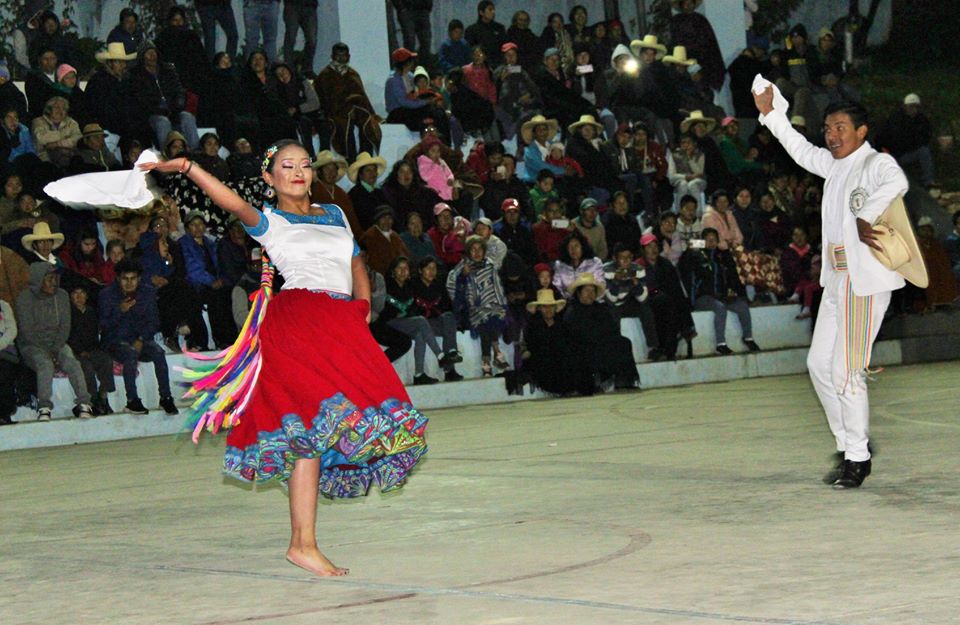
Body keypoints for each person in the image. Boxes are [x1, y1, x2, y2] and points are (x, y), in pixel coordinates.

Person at [142, 138, 427, 576]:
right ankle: (304, 543)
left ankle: (302, 544)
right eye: (287, 166)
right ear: (269, 178)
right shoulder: (269, 220)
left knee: (336, 421)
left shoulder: (333, 214)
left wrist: (364, 306)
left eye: (304, 165)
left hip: (341, 322)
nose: (298, 172)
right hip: (298, 322)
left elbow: (355, 261)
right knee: (309, 427)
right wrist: (187, 168)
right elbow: (231, 201)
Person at [754, 88, 909, 488]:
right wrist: (772, 115)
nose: (831, 135)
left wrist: (868, 214)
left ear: (862, 131)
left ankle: (858, 457)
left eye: (840, 127)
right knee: (818, 365)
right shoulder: (834, 166)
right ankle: (849, 444)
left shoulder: (875, 163)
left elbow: (897, 181)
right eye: (827, 128)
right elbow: (800, 150)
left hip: (866, 282)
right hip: (838, 281)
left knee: (845, 370)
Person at [98, 259, 177, 416]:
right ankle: (132, 400)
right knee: (130, 353)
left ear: (139, 279)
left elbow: (154, 322)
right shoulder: (107, 295)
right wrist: (120, 311)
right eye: (124, 279)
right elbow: (103, 326)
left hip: (141, 339)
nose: (129, 283)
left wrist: (141, 338)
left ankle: (166, 397)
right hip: (115, 342)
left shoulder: (147, 293)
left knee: (159, 352)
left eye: (132, 279)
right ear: (118, 278)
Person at [15, 262, 93, 421]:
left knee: (73, 363)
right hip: (32, 344)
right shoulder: (24, 298)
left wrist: (56, 348)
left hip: (57, 343)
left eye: (55, 278)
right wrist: (48, 351)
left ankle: (84, 403)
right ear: (38, 280)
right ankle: (44, 406)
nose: (53, 282)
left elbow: (65, 325)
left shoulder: (62, 296)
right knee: (45, 364)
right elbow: (27, 330)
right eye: (49, 278)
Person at [680, 227, 759, 356]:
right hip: (703, 297)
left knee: (742, 306)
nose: (711, 242)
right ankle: (721, 344)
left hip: (722, 296)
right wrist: (692, 246)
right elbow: (685, 269)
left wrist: (736, 293)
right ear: (702, 241)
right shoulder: (695, 255)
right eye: (708, 240)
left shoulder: (723, 255)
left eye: (714, 240)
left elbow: (734, 277)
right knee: (720, 308)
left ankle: (748, 338)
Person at [381, 256, 455, 385]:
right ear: (393, 271)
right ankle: (440, 355)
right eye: (399, 268)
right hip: (389, 323)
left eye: (406, 268)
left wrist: (406, 313)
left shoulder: (410, 286)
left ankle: (419, 374)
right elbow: (386, 309)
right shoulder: (387, 284)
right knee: (420, 321)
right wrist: (403, 313)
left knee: (420, 334)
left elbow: (412, 309)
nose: (403, 271)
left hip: (405, 323)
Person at [563, 272, 639, 389]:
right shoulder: (572, 311)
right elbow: (572, 335)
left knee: (623, 343)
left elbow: (611, 328)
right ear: (579, 292)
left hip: (602, 343)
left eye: (593, 291)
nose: (591, 294)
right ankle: (593, 381)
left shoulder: (600, 308)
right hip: (582, 347)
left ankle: (623, 381)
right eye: (587, 291)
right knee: (590, 349)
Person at [447, 235, 508, 376]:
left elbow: (497, 289)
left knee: (490, 317)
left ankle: (486, 363)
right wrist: (463, 276)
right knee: (484, 317)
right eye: (473, 249)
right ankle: (497, 353)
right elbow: (452, 286)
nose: (477, 252)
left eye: (480, 249)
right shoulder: (462, 267)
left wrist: (502, 306)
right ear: (468, 252)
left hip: (492, 306)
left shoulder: (490, 265)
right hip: (471, 308)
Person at [314, 43, 381, 161]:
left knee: (367, 120)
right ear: (332, 56)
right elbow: (323, 98)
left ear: (348, 57)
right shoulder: (325, 75)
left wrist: (367, 111)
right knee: (345, 124)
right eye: (338, 55)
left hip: (355, 108)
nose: (341, 58)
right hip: (336, 111)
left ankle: (365, 156)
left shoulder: (353, 74)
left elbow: (362, 96)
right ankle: (351, 159)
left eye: (344, 55)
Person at [66, 285, 115, 416]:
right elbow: (68, 336)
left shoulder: (91, 312)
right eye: (75, 293)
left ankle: (103, 396)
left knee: (106, 361)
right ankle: (92, 400)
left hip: (92, 348)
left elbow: (95, 335)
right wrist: (80, 350)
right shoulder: (67, 313)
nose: (79, 297)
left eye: (82, 293)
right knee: (86, 368)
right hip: (75, 351)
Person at [876, 93, 937, 190]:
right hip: (895, 155)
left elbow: (926, 137)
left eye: (916, 107)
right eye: (911, 107)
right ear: (905, 107)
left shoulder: (922, 120)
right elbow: (883, 138)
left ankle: (928, 181)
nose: (913, 110)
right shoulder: (895, 119)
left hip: (909, 153)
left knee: (924, 152)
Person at [360, 205, 410, 276]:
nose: (387, 221)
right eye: (383, 218)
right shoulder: (369, 237)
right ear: (377, 220)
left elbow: (405, 256)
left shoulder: (395, 236)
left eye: (389, 218)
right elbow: (372, 263)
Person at [465, 1, 507, 67]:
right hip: (479, 66)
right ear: (481, 12)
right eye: (490, 10)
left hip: (498, 65)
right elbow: (470, 51)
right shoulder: (472, 30)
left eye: (493, 10)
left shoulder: (500, 28)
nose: (493, 12)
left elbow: (504, 47)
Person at [282, 0, 318, 74]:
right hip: (292, 5)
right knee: (290, 38)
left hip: (309, 6)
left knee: (312, 40)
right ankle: (289, 68)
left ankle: (307, 69)